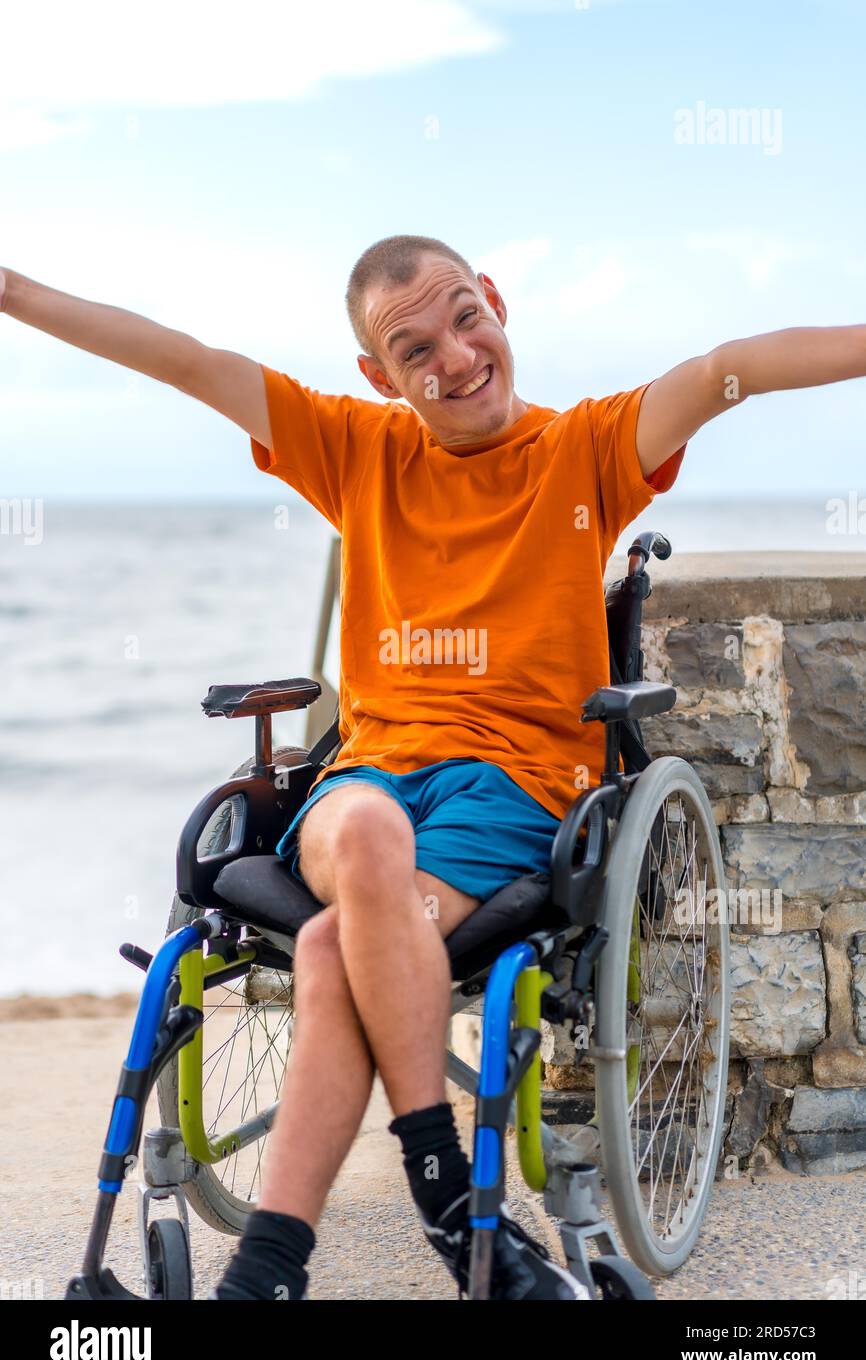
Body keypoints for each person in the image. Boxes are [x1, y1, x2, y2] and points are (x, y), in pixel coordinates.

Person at [3, 237, 864, 1299]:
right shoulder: (355, 448)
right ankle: (456, 1210)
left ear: (493, 301)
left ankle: (264, 1272)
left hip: (506, 794)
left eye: (464, 317)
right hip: (366, 784)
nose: (452, 358)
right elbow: (188, 361)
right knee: (363, 831)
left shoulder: (585, 450)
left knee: (331, 949)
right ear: (378, 374)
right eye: (412, 347)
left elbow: (730, 364)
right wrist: (9, 290)